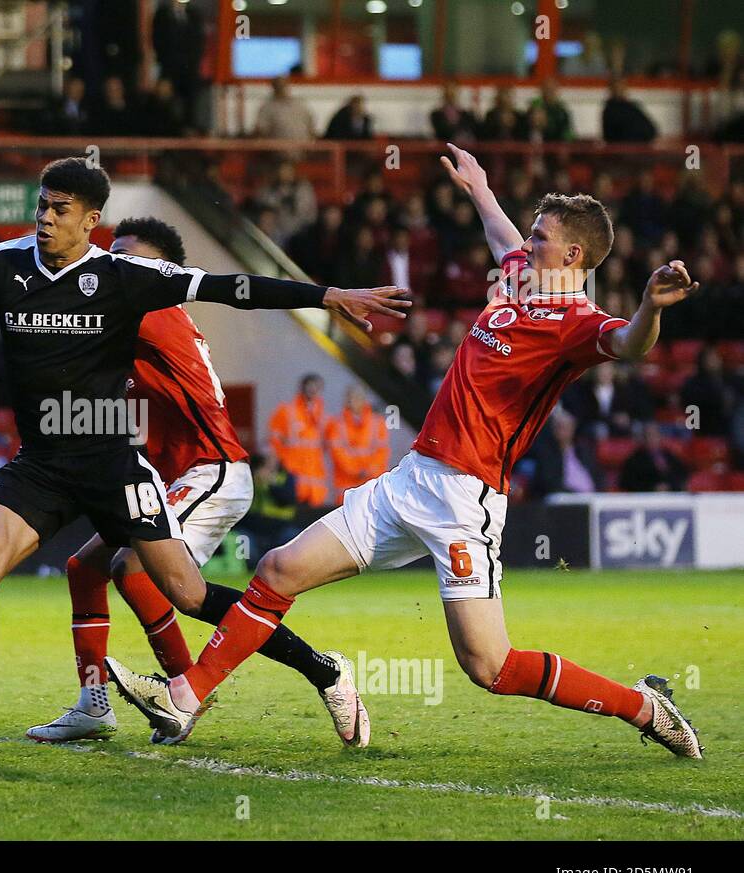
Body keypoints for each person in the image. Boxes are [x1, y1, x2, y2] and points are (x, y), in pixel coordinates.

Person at [107, 143, 705, 761]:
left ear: (573, 255)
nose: (525, 244)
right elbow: (501, 232)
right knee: (278, 570)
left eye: (540, 236)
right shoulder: (522, 277)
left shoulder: (579, 324)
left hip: (464, 503)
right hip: (410, 479)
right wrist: (477, 186)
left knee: (490, 667)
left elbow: (630, 345)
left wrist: (649, 309)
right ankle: (185, 699)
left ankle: (645, 708)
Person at [0, 156, 408, 760]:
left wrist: (327, 295)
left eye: (59, 210)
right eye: (41, 205)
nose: (44, 219)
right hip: (43, 462)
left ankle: (317, 671)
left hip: (112, 463)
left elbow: (234, 288)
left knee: (185, 592)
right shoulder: (3, 266)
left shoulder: (125, 278)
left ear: (91, 221)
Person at [27, 218, 361, 746]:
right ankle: (96, 706)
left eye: (130, 260)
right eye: (114, 257)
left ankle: (307, 674)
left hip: (211, 470)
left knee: (144, 575)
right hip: (162, 476)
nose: (117, 269)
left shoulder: (153, 312)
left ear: (162, 273)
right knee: (85, 567)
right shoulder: (135, 318)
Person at [268, 373, 330, 506]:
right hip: (293, 476)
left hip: (315, 483)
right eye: (310, 386)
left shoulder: (325, 417)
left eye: (317, 387)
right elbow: (275, 441)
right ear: (302, 387)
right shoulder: (286, 411)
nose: (313, 390)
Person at [325, 384, 389, 503]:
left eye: (355, 397)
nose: (351, 401)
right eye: (349, 398)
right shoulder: (336, 424)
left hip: (371, 482)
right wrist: (356, 470)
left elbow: (382, 452)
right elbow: (337, 453)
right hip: (346, 484)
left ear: (363, 400)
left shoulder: (377, 423)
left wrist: (368, 470)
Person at [619, 423, 689, 492]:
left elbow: (682, 476)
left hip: (671, 496)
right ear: (643, 438)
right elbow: (628, 483)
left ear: (660, 437)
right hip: (646, 498)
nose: (653, 438)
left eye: (656, 435)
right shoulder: (634, 460)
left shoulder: (670, 456)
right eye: (649, 435)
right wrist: (653, 488)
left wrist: (670, 487)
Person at [253, 75, 315, 141]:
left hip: (297, 149)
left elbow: (260, 132)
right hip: (300, 149)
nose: (281, 88)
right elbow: (312, 131)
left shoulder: (300, 105)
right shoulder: (301, 104)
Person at [603, 79, 657, 143]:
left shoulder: (632, 107)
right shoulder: (610, 110)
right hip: (623, 149)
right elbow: (610, 137)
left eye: (622, 87)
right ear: (611, 90)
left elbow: (651, 129)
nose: (620, 90)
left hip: (640, 148)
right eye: (617, 88)